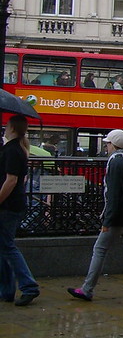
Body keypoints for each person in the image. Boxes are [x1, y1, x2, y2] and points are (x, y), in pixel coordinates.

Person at [67, 130, 123, 304]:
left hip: (120, 217)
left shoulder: (114, 163)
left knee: (99, 249)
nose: (106, 146)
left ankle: (87, 290)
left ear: (113, 145)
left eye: (108, 143)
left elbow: (112, 195)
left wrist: (107, 221)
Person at [0, 115, 40, 306]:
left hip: (7, 207)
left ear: (12, 128)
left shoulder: (11, 150)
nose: (5, 128)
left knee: (7, 246)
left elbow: (11, 180)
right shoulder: (18, 150)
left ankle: (28, 286)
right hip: (13, 205)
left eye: (7, 125)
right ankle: (6, 290)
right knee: (3, 247)